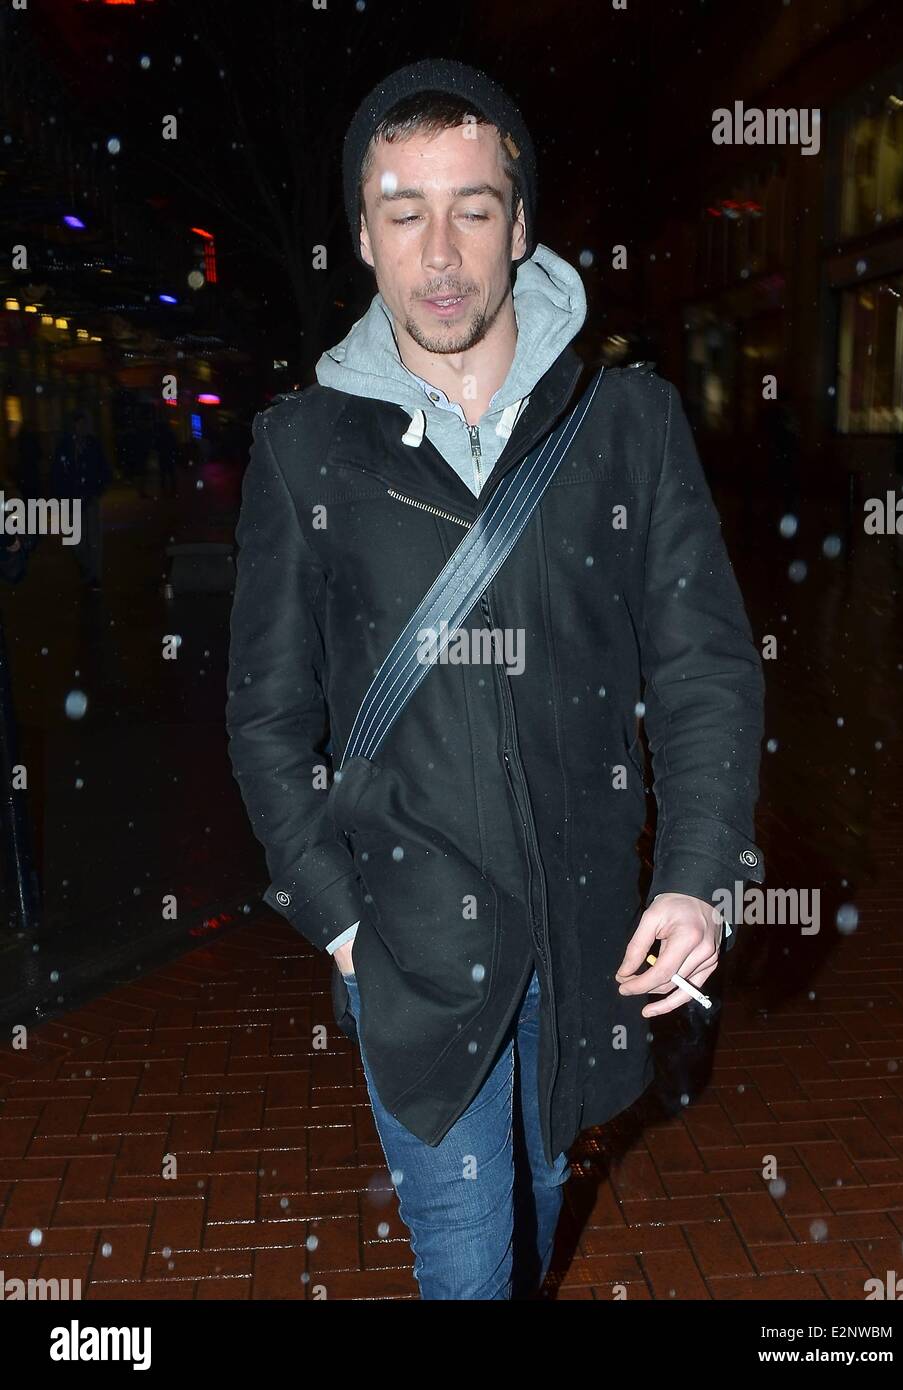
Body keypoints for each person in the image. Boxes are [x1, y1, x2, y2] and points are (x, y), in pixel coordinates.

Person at [225, 58, 765, 1300]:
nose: (441, 249)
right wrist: (342, 923)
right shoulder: (304, 446)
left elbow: (703, 671)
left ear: (520, 225)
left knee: (527, 1215)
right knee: (467, 1266)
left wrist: (696, 877)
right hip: (408, 953)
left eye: (473, 206)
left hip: (584, 938)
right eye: (403, 210)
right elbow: (266, 715)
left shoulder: (626, 423)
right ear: (362, 235)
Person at [50, 410, 112, 589]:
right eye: (79, 424)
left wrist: (97, 490)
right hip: (71, 500)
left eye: (85, 424)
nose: (82, 428)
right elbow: (57, 473)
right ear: (74, 426)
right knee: (76, 542)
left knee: (94, 540)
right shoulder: (65, 446)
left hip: (90, 497)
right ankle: (87, 569)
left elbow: (103, 469)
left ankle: (95, 575)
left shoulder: (93, 445)